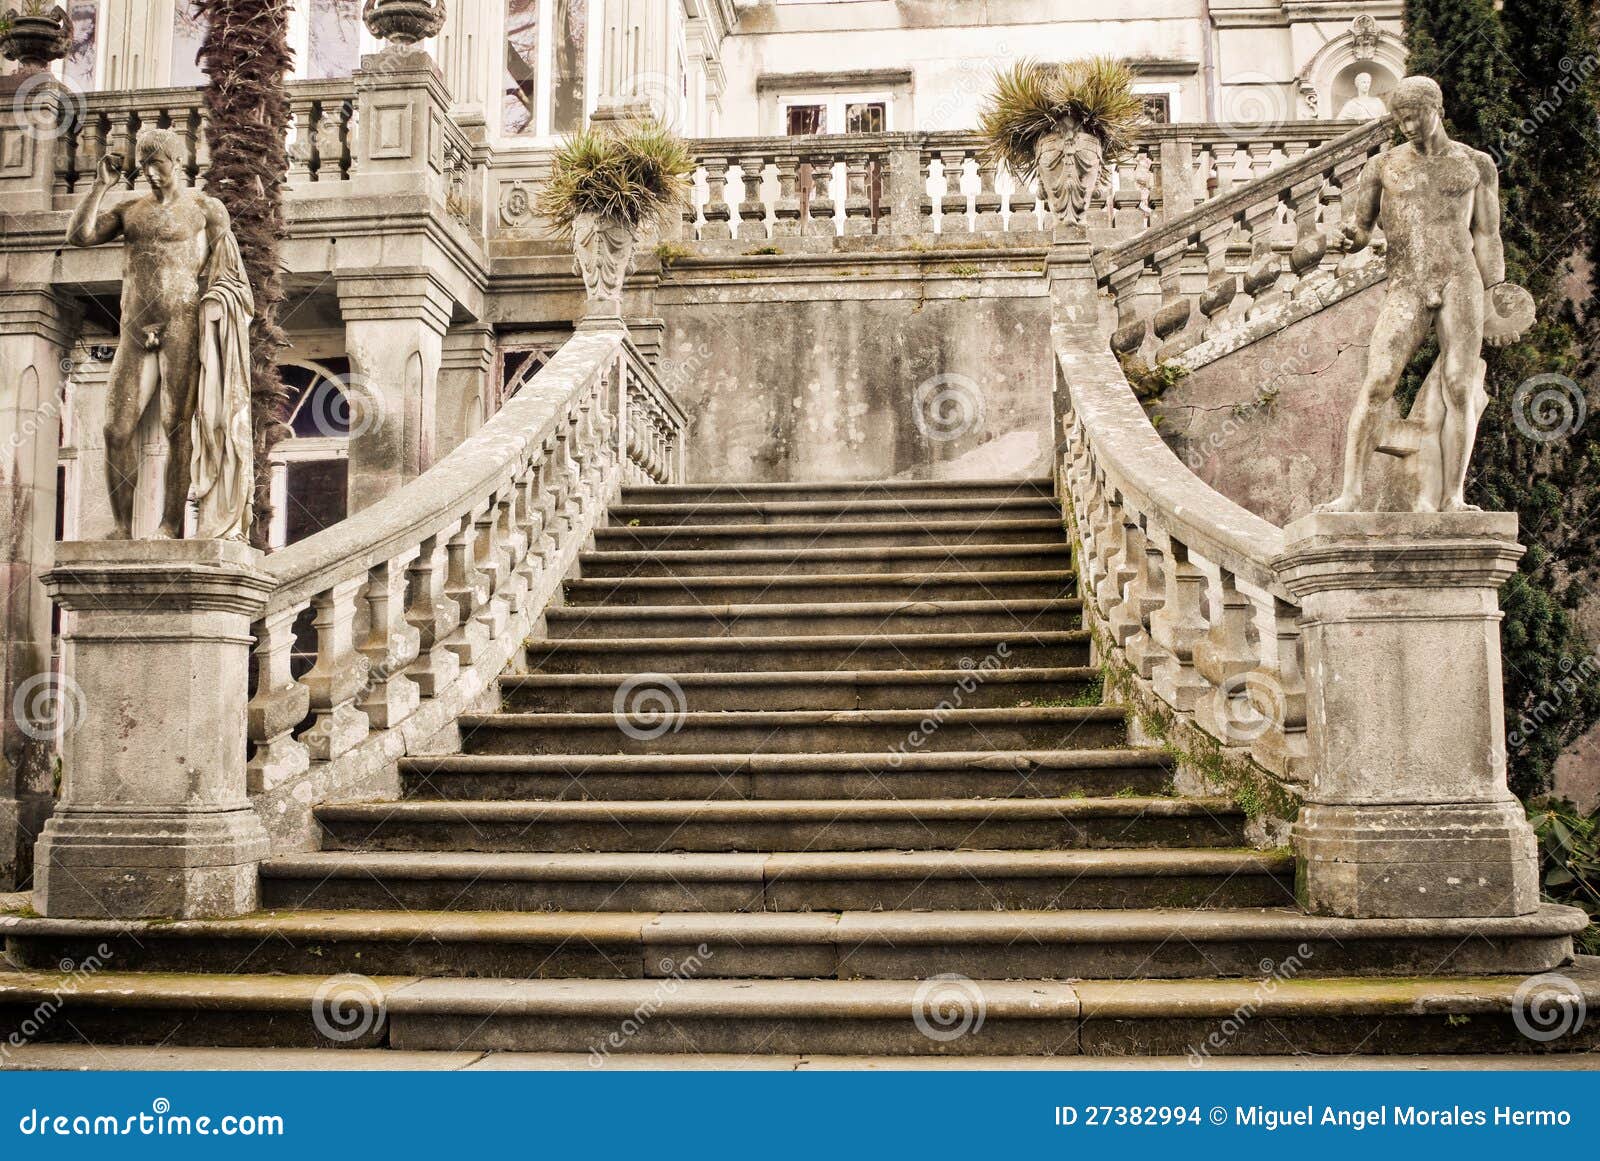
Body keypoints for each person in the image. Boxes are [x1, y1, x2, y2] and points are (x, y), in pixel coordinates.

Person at [1315, 75, 1522, 514]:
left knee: (1460, 386)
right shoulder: (1384, 166)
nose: (1407, 126)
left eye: (1414, 116)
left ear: (1437, 109)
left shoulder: (1476, 164)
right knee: (1379, 381)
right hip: (1406, 281)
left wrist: (1495, 290)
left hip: (1459, 278)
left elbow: (1487, 234)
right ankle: (1351, 493)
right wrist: (1350, 237)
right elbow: (1362, 227)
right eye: (1400, 118)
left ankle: (1453, 496)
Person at [65, 127, 253, 540]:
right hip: (135, 330)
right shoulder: (130, 209)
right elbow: (79, 237)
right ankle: (120, 527)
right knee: (115, 429)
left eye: (158, 163)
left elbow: (233, 275)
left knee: (177, 426)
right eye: (145, 164)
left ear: (177, 162)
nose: (150, 171)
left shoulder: (206, 209)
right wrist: (99, 187)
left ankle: (170, 524)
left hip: (181, 326)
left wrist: (221, 304)